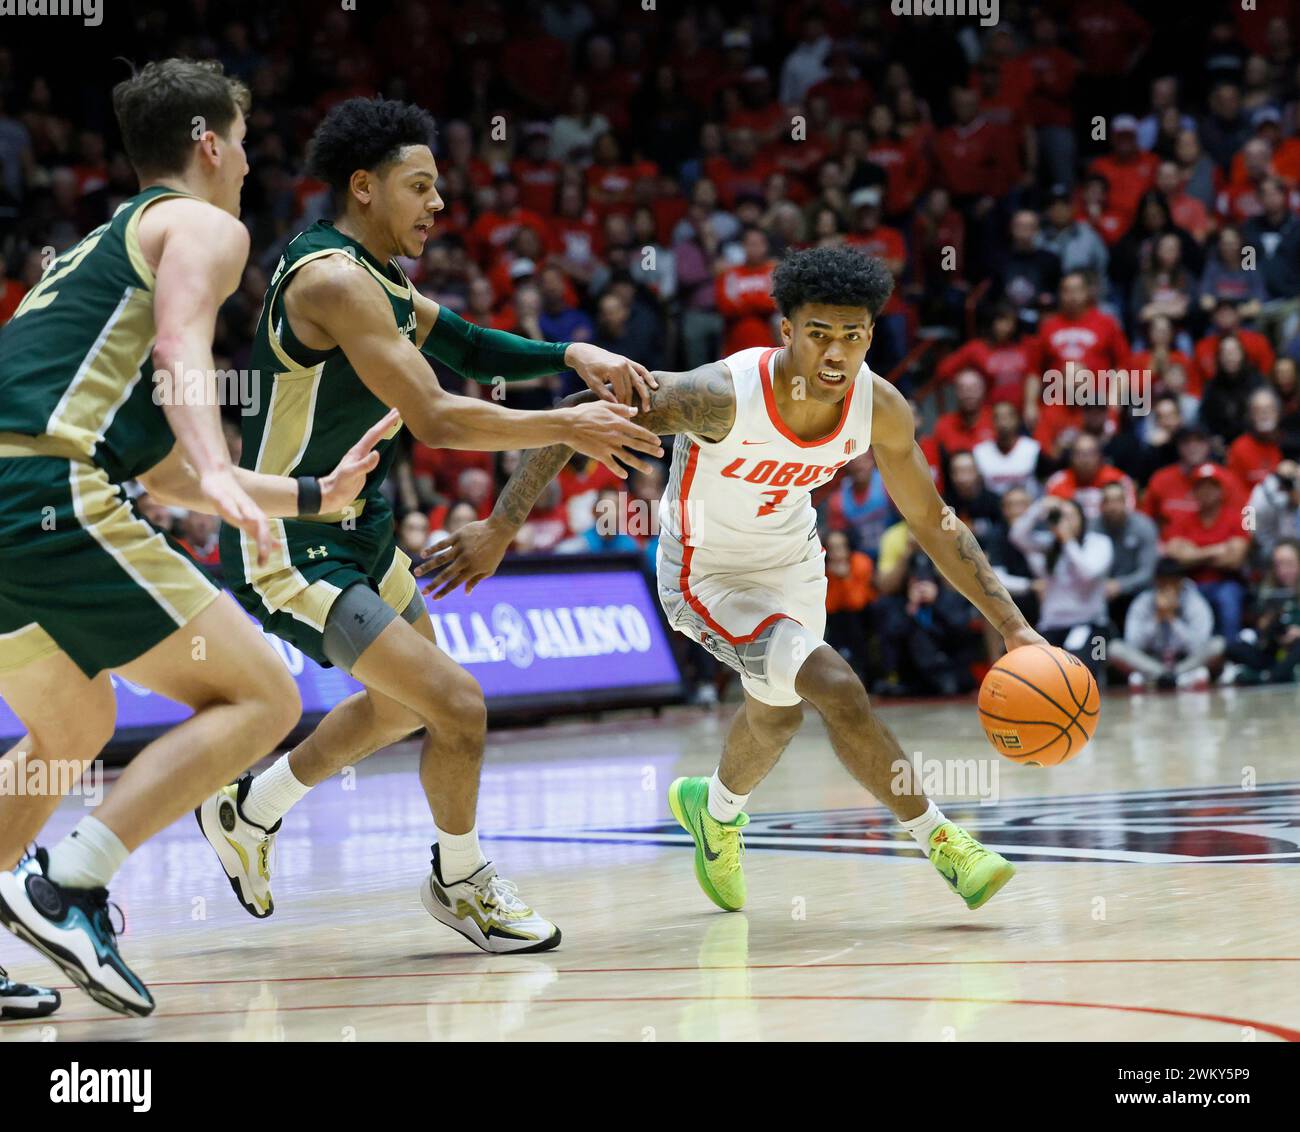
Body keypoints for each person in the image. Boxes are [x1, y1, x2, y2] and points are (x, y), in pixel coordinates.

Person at [425, 245, 1044, 916]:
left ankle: (713, 811)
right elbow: (582, 407)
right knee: (835, 686)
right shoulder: (721, 396)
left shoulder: (881, 408)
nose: (836, 354)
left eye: (853, 336)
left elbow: (930, 518)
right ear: (786, 331)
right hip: (705, 576)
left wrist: (1011, 625)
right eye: (819, 334)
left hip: (794, 567)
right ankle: (943, 840)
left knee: (775, 718)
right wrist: (500, 525)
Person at [203, 98, 663, 954]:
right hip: (292, 540)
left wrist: (570, 356)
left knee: (398, 709)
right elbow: (436, 416)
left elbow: (466, 343)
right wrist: (566, 425)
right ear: (365, 187)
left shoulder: (369, 272)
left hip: (359, 525)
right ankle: (461, 882)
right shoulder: (333, 280)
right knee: (457, 705)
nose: (440, 206)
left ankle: (247, 810)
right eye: (421, 187)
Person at [0, 60, 392, 1017]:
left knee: (72, 730)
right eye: (248, 144)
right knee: (260, 698)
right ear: (210, 142)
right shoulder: (203, 225)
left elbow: (163, 469)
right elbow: (184, 346)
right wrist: (218, 461)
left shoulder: (99, 259)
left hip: (15, 496)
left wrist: (313, 493)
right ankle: (68, 884)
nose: (252, 167)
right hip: (42, 487)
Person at [1009, 494, 1113, 676]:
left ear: (1082, 518)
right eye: (1061, 516)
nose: (1065, 522)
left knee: (1080, 670)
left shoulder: (1099, 542)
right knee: (1023, 669)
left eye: (1070, 516)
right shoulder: (1050, 545)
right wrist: (1039, 508)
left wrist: (1067, 540)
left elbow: (1088, 573)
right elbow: (1016, 536)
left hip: (1091, 626)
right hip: (1052, 626)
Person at [1108, 558, 1224, 689]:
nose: (1168, 588)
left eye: (1173, 583)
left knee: (1218, 645)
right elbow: (1133, 644)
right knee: (1114, 648)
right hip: (1151, 661)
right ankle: (1169, 677)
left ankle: (1164, 678)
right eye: (1163, 583)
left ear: (1181, 582)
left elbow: (1198, 646)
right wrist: (1157, 618)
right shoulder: (1142, 603)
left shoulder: (1195, 603)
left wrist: (1172, 619)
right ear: (1156, 582)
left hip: (1185, 661)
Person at [1222, 538, 1300, 685]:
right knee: (1232, 647)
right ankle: (1269, 674)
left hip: (1296, 649)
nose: (1282, 571)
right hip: (1275, 650)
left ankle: (1270, 676)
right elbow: (1261, 637)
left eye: (1289, 564)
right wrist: (1267, 625)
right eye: (1278, 565)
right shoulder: (1268, 592)